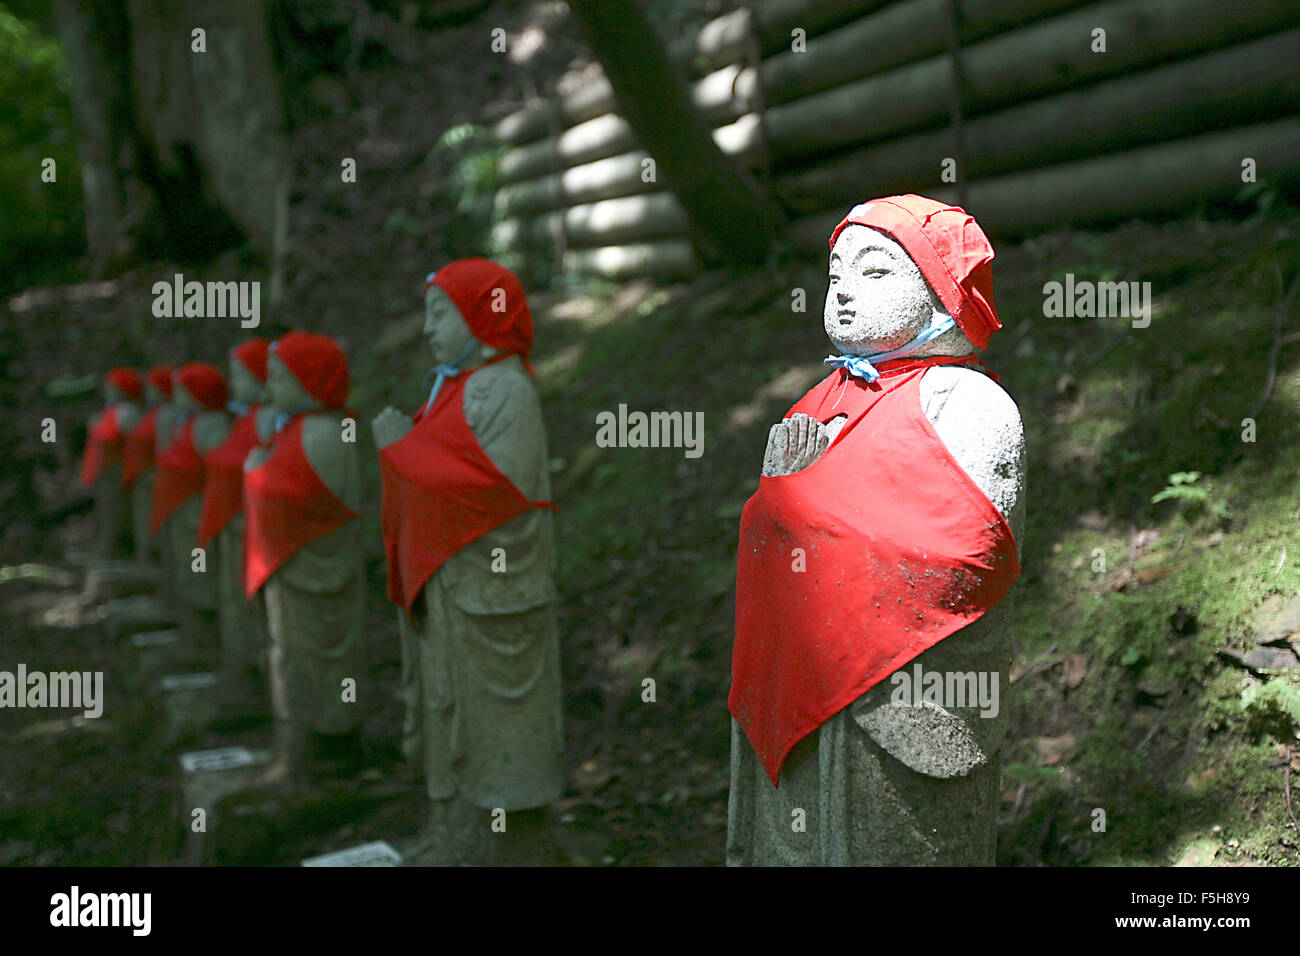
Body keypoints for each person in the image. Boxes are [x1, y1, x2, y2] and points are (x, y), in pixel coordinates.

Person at [728, 195, 1025, 865]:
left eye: (876, 273)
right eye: (836, 276)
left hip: (901, 688)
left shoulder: (971, 403)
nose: (845, 293)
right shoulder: (818, 402)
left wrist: (805, 511)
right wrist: (783, 511)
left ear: (940, 290)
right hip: (800, 675)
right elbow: (768, 535)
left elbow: (968, 556)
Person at [374, 259, 563, 864]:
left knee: (497, 721)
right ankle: (456, 833)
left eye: (439, 313)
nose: (427, 329)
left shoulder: (507, 388)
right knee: (449, 712)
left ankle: (508, 847)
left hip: (495, 586)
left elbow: (494, 493)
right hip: (450, 582)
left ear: (483, 317)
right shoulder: (452, 388)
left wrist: (401, 451)